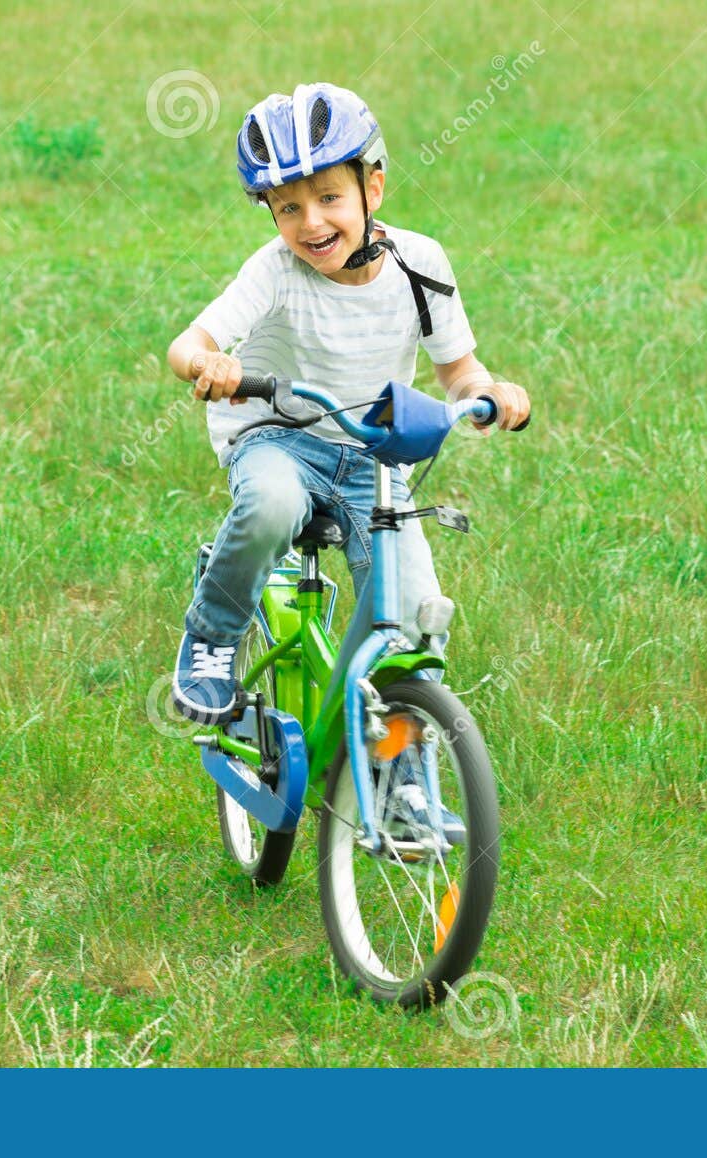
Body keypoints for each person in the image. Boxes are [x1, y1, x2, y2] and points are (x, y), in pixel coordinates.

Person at [167, 82, 531, 731]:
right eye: (287, 208)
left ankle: (399, 767)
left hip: (373, 455)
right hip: (279, 437)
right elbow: (188, 344)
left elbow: (460, 372)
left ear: (374, 189)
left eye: (330, 197)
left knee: (416, 624)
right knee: (272, 505)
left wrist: (490, 394)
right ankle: (213, 634)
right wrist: (209, 363)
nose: (311, 223)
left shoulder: (421, 265)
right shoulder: (275, 271)